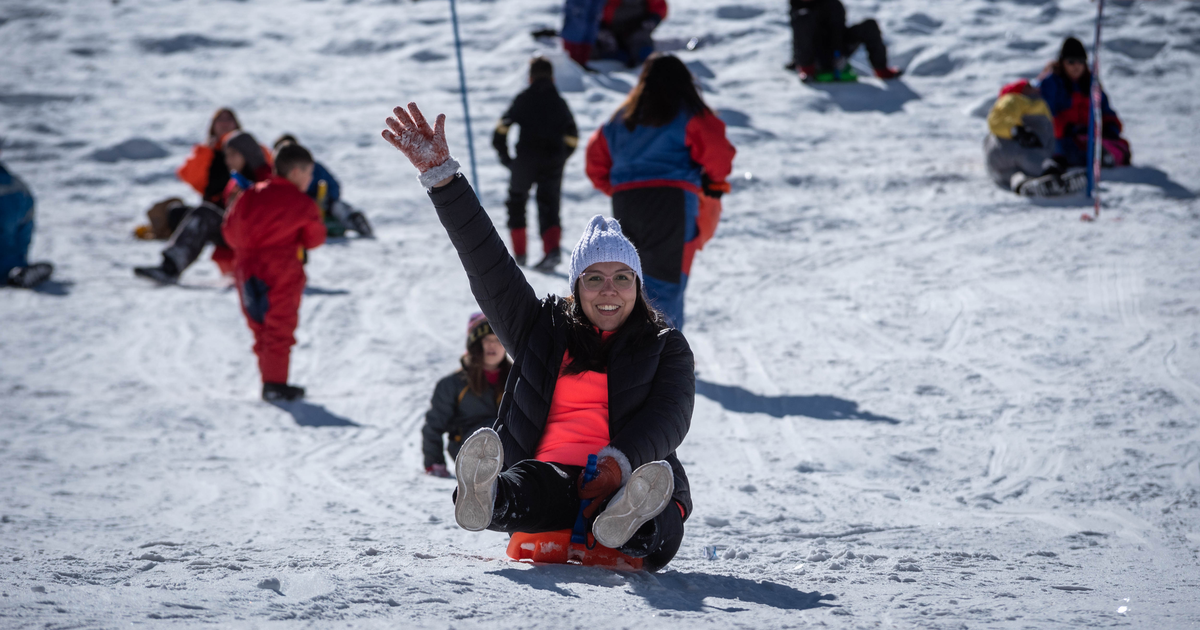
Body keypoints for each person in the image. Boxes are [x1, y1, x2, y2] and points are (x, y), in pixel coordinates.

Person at [383, 102, 695, 571]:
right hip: (555, 473)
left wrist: (619, 462)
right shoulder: (542, 331)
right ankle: (489, 496)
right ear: (575, 288)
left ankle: (628, 523)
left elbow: (671, 417)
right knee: (530, 483)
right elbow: (488, 266)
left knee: (657, 508)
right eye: (594, 278)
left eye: (621, 278)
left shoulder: (664, 344)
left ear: (637, 286)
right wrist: (442, 178)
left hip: (631, 474)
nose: (608, 290)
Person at [585, 53, 735, 330]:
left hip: (627, 202)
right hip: (671, 201)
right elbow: (717, 149)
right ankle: (665, 361)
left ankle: (630, 355)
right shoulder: (687, 112)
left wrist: (618, 188)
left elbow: (596, 159)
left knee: (632, 280)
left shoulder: (623, 118)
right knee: (665, 284)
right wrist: (714, 183)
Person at [221, 142, 326, 401]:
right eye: (309, 173)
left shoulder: (248, 194)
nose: (311, 179)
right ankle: (275, 384)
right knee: (279, 324)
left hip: (245, 268)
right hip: (281, 268)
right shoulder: (301, 203)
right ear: (295, 173)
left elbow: (228, 233)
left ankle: (270, 378)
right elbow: (314, 238)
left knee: (259, 323)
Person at [135, 130, 273, 284]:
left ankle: (171, 268)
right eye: (226, 155)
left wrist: (246, 198)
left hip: (258, 240)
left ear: (246, 153)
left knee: (204, 215)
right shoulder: (235, 179)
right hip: (236, 234)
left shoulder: (267, 178)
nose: (227, 160)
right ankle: (170, 266)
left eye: (232, 154)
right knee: (190, 213)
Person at [492, 56, 579, 270]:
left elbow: (502, 129)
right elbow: (573, 135)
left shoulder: (524, 98)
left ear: (530, 77)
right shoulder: (559, 102)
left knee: (516, 200)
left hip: (525, 159)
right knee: (549, 203)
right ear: (552, 77)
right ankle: (552, 251)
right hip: (553, 157)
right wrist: (562, 157)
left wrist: (507, 158)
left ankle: (519, 255)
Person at [422, 314, 511, 478]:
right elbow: (433, 426)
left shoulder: (516, 380)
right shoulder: (452, 384)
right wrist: (434, 463)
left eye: (498, 339)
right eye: (486, 340)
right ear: (475, 345)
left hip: (510, 452)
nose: (492, 345)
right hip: (468, 451)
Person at [1037, 37, 1131, 171]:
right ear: (1062, 62)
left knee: (1120, 145)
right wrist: (1068, 128)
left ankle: (1103, 156)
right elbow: (1046, 114)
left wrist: (1110, 127)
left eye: (1080, 61)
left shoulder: (1091, 84)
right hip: (1062, 138)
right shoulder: (1052, 83)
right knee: (1063, 147)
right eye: (1071, 61)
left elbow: (1105, 111)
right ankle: (1057, 167)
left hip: (1088, 137)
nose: (1076, 66)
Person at [272, 135, 374, 238]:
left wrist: (329, 199)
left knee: (338, 207)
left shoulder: (312, 167)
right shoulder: (273, 171)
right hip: (303, 208)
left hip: (322, 203)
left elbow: (333, 185)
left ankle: (353, 220)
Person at [788, 0, 901, 82]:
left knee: (869, 26)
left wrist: (838, 54)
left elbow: (838, 29)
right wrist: (797, 61)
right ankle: (806, 70)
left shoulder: (833, 4)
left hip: (838, 48)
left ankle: (882, 70)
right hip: (814, 55)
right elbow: (799, 38)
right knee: (803, 19)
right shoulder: (798, 8)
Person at [984, 79, 1061, 195]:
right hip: (1010, 151)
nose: (1035, 88)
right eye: (1029, 86)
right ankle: (1048, 173)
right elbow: (997, 119)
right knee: (1027, 156)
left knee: (1013, 173)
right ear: (1020, 90)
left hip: (999, 162)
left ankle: (1021, 183)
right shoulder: (1014, 99)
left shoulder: (1032, 103)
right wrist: (1017, 131)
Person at [1, 152, 54, 289]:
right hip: (14, 258)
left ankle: (14, 271)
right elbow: (25, 229)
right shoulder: (18, 186)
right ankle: (15, 270)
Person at [595, 0, 668, 67]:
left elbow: (659, 6)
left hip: (638, 27)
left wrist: (654, 19)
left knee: (643, 50)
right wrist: (601, 27)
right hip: (610, 28)